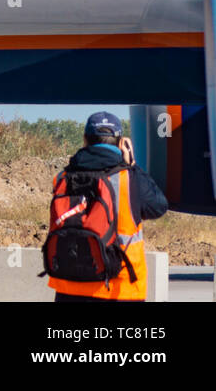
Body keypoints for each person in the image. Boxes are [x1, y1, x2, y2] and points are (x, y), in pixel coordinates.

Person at [46, 111, 167, 302]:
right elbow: (158, 207)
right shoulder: (129, 178)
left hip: (70, 286)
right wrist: (133, 165)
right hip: (119, 287)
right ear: (120, 144)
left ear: (85, 140)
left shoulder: (62, 178)